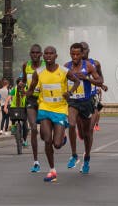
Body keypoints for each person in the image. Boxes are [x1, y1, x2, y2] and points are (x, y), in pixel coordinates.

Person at [27, 46, 79, 183]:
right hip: (44, 108)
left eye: (51, 54)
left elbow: (77, 81)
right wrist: (22, 91)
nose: (48, 56)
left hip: (60, 109)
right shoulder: (38, 73)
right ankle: (52, 171)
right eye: (46, 54)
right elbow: (31, 90)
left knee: (56, 144)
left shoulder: (64, 71)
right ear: (43, 57)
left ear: (56, 56)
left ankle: (62, 136)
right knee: (47, 139)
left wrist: (70, 92)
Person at [64, 42, 104, 174]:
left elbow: (100, 81)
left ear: (82, 54)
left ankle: (87, 158)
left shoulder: (88, 66)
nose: (74, 56)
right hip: (73, 102)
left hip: (86, 102)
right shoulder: (66, 67)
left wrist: (87, 78)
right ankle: (74, 155)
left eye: (77, 54)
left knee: (86, 134)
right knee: (71, 124)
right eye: (72, 54)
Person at [22, 44, 45, 172]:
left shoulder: (45, 65)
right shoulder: (26, 65)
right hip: (31, 99)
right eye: (33, 52)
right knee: (34, 129)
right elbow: (25, 80)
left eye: (37, 53)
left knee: (44, 133)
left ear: (41, 54)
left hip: (43, 100)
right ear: (30, 54)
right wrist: (22, 84)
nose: (35, 55)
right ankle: (36, 161)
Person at [81, 42, 108, 133]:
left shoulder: (95, 64)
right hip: (80, 95)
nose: (82, 51)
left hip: (93, 92)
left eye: (84, 49)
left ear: (88, 50)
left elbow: (101, 78)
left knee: (95, 109)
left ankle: (92, 127)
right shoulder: (73, 64)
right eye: (80, 49)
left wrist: (101, 85)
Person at [5, 77, 29, 147]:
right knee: (14, 118)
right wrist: (5, 107)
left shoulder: (26, 88)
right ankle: (13, 128)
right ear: (18, 83)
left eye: (22, 82)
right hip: (16, 108)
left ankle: (24, 139)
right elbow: (8, 98)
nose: (21, 84)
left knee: (25, 127)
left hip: (22, 108)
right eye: (20, 82)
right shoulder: (14, 89)